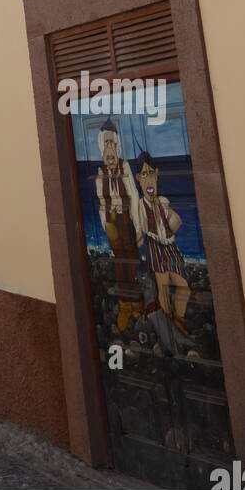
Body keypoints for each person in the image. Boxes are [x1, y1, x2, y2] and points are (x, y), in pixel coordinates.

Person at [134, 152, 191, 336]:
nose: (148, 179)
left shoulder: (162, 203)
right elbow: (140, 228)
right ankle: (168, 319)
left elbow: (177, 220)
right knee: (163, 285)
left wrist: (167, 232)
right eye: (144, 174)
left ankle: (178, 317)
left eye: (151, 173)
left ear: (157, 175)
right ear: (138, 179)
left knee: (183, 287)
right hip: (155, 247)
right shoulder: (141, 205)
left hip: (169, 246)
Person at [95, 119, 142, 332]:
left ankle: (136, 303)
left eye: (112, 143)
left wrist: (138, 226)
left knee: (131, 260)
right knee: (120, 262)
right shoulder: (100, 173)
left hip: (127, 221)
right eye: (106, 144)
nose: (110, 148)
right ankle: (125, 305)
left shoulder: (125, 167)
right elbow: (102, 203)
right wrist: (106, 226)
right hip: (113, 223)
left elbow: (133, 194)